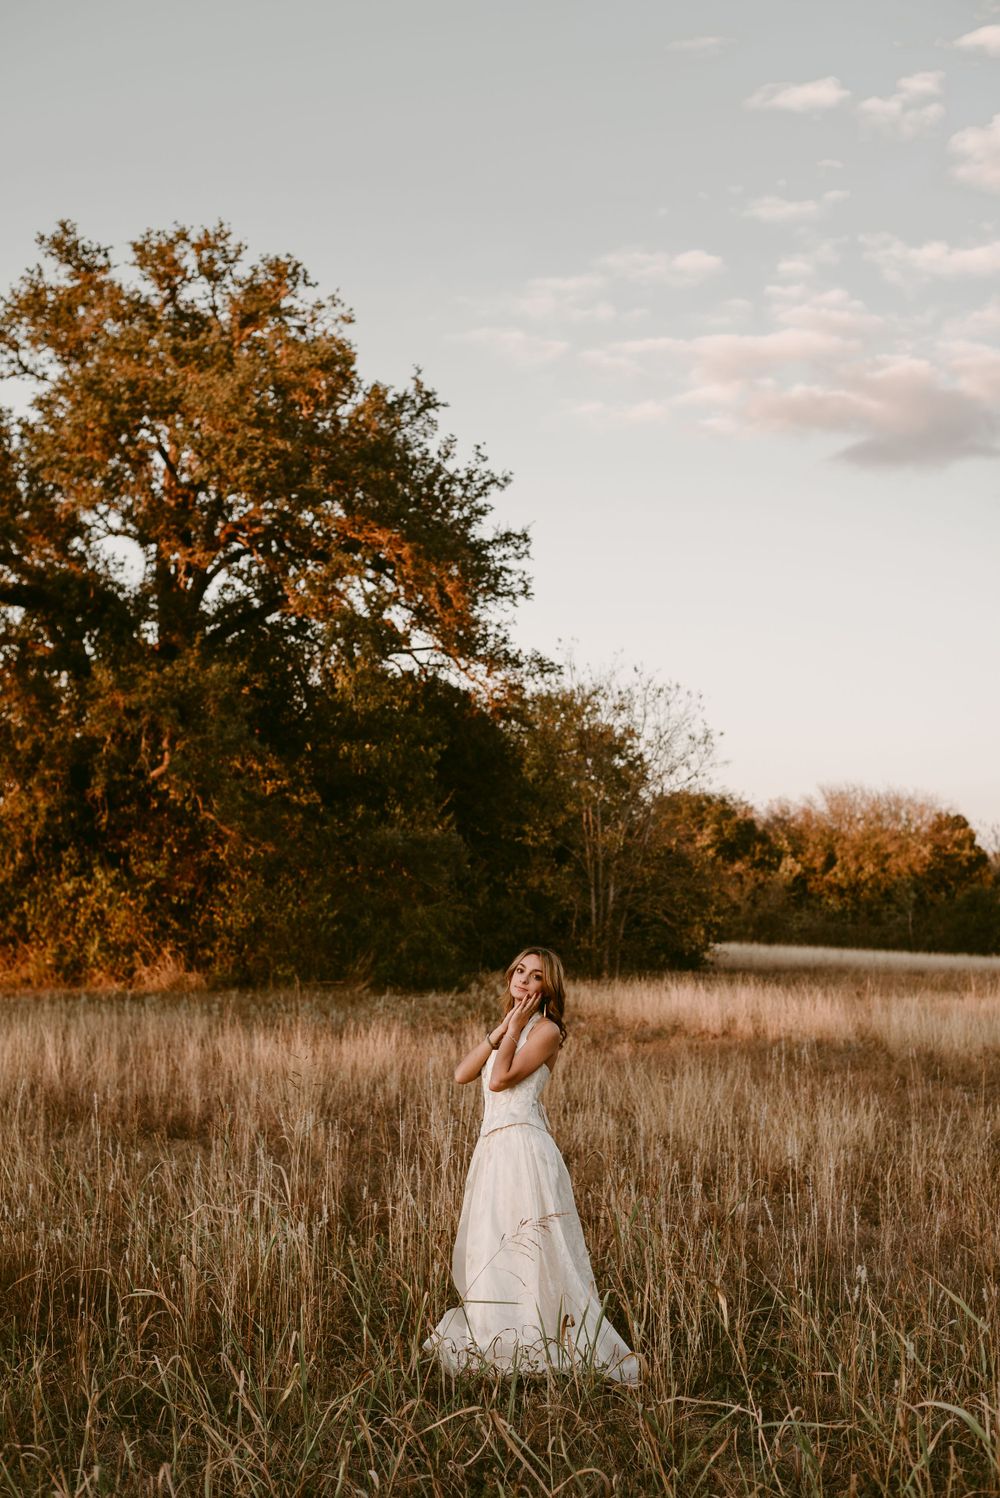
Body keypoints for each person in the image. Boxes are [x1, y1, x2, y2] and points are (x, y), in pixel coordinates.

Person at [423, 946, 641, 1383]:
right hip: (493, 1150)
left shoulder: (547, 1031)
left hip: (523, 1149)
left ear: (548, 987)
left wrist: (514, 1029)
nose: (523, 979)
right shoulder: (512, 1027)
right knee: (494, 1245)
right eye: (519, 971)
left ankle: (542, 1340)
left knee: (533, 1249)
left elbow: (500, 1079)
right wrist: (503, 1028)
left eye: (536, 975)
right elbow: (462, 1074)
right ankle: (499, 1335)